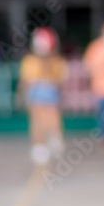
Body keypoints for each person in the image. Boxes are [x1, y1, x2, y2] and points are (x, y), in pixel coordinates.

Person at [18, 27, 68, 165]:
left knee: (53, 117)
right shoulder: (29, 60)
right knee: (37, 121)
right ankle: (38, 146)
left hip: (51, 93)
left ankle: (54, 139)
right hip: (36, 93)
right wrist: (23, 96)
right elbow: (25, 81)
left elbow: (60, 80)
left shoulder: (57, 60)